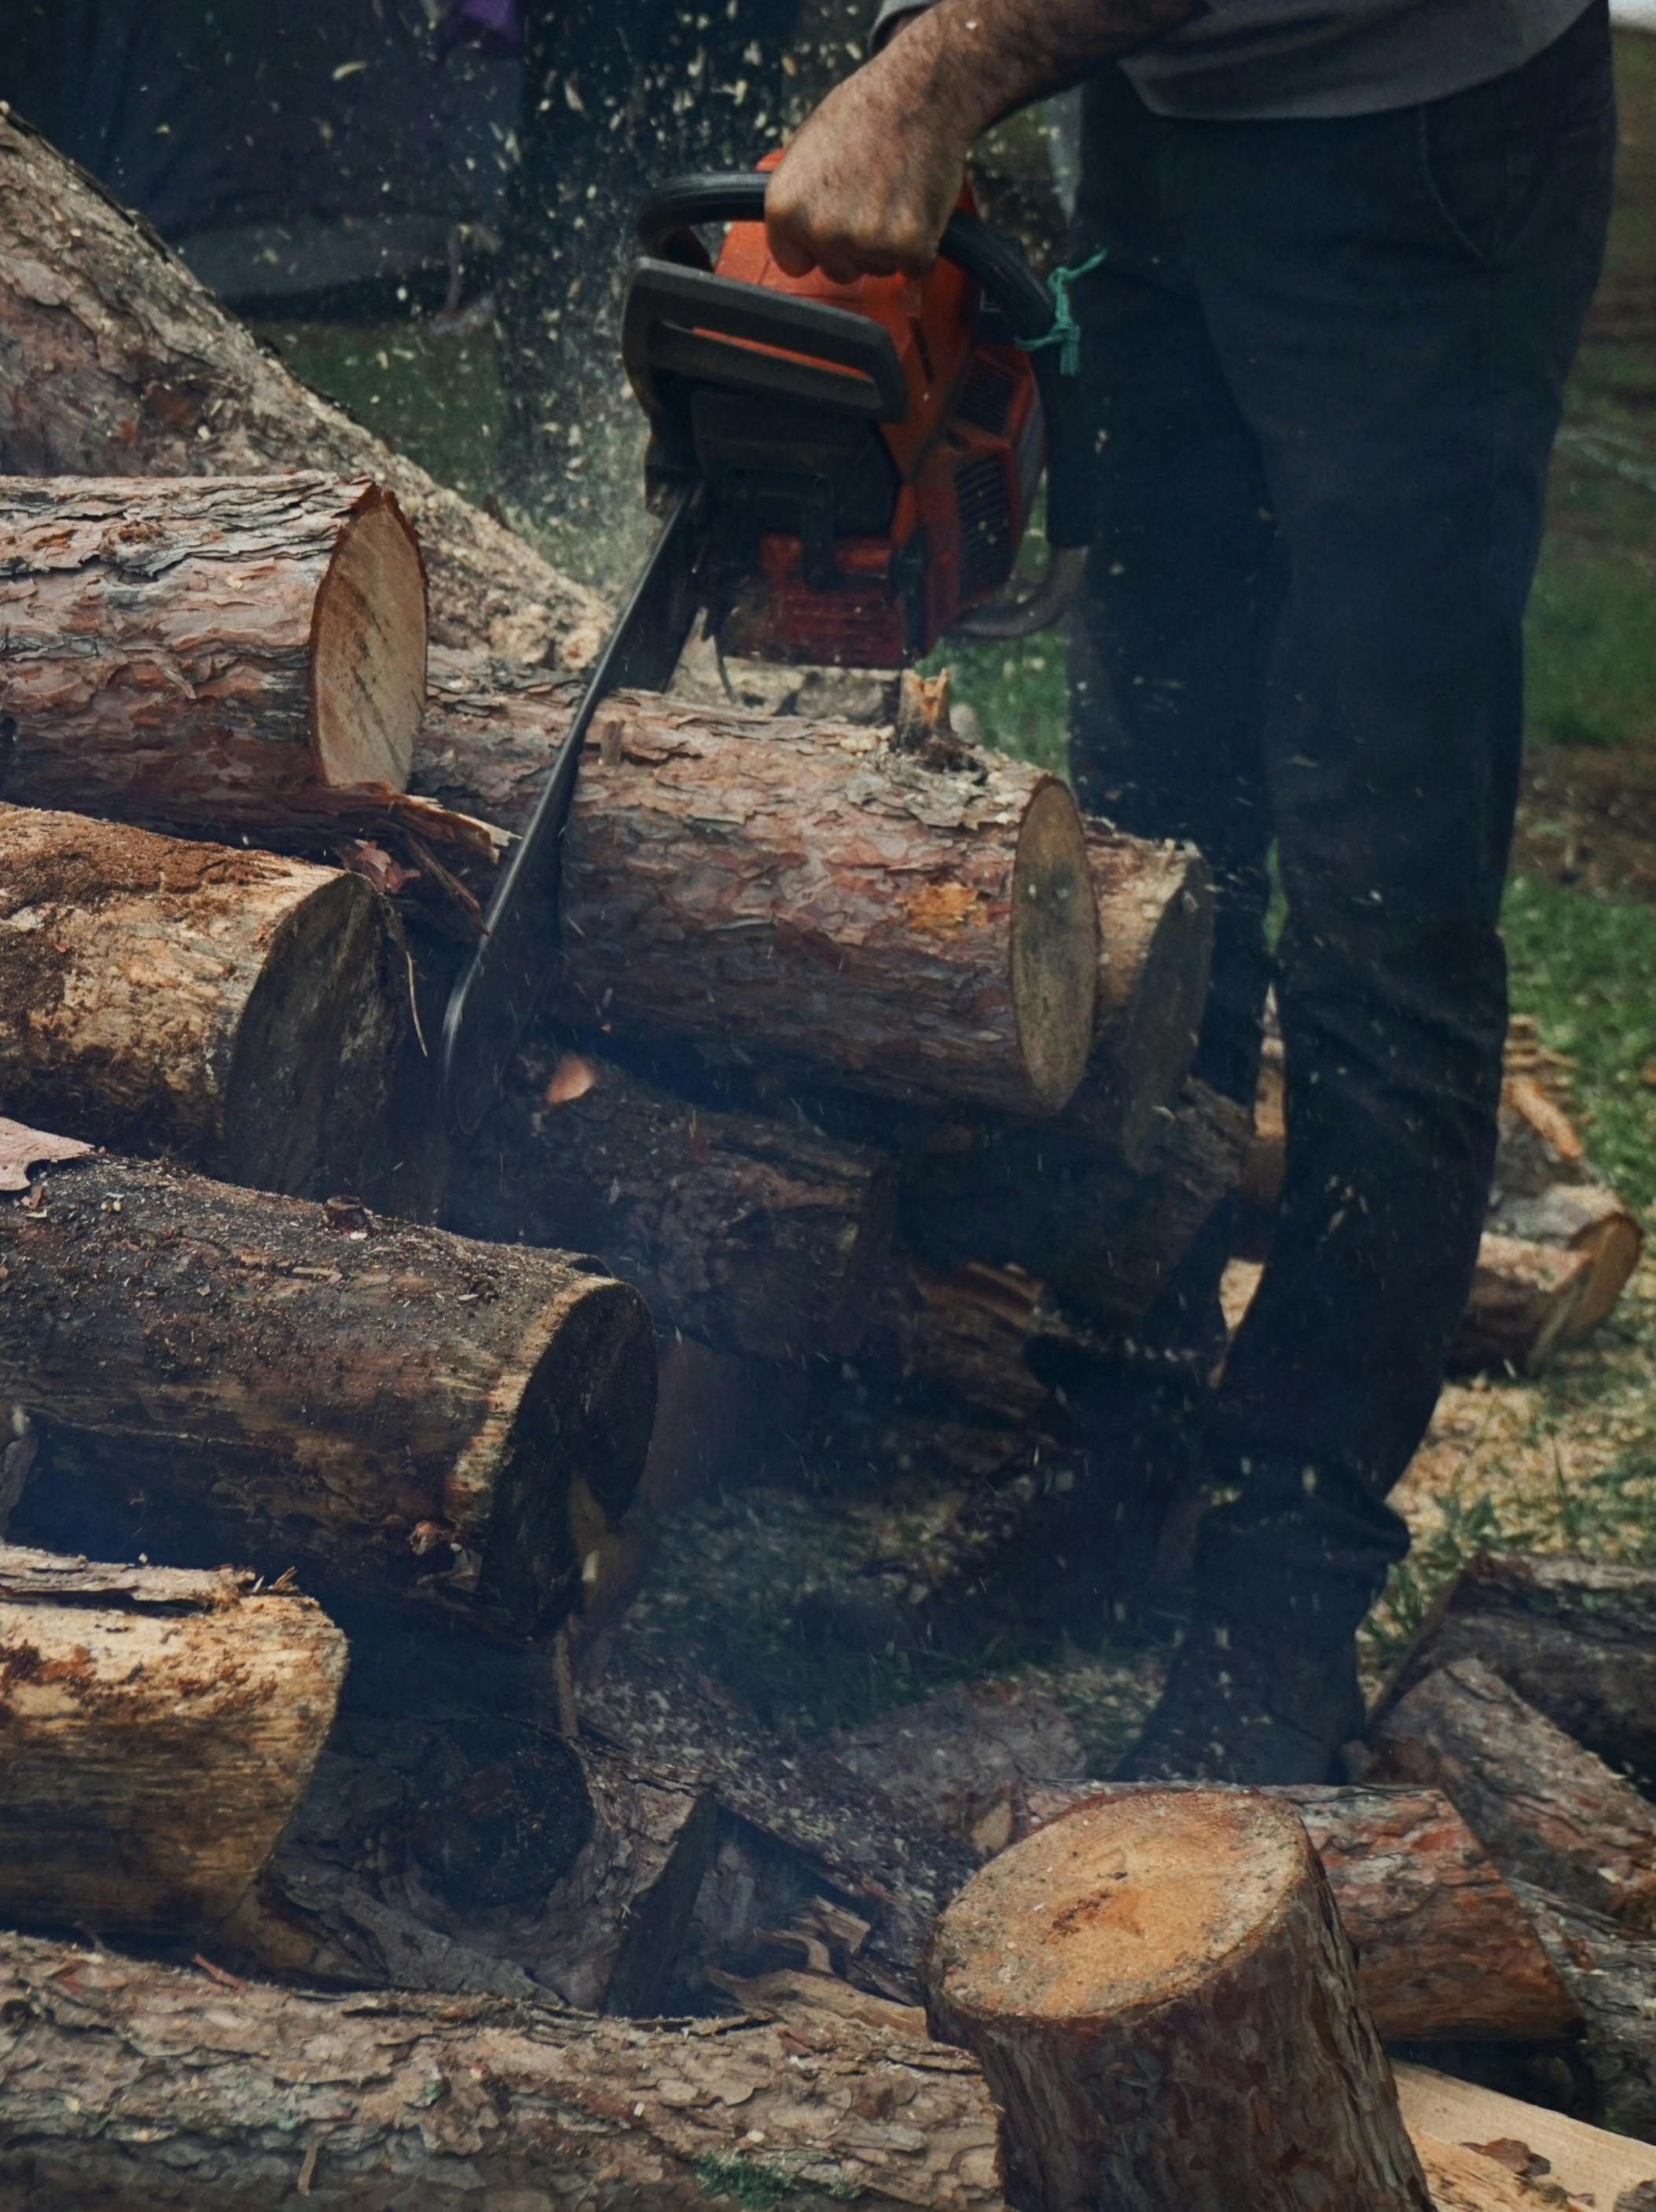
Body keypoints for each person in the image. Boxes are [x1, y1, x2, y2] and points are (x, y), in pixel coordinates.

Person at [764, 0, 1617, 1781]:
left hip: (1416, 144)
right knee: (1160, 846)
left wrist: (938, 76)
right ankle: (1115, 1453)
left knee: (1376, 880)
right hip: (1163, 121)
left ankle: (1280, 1592)